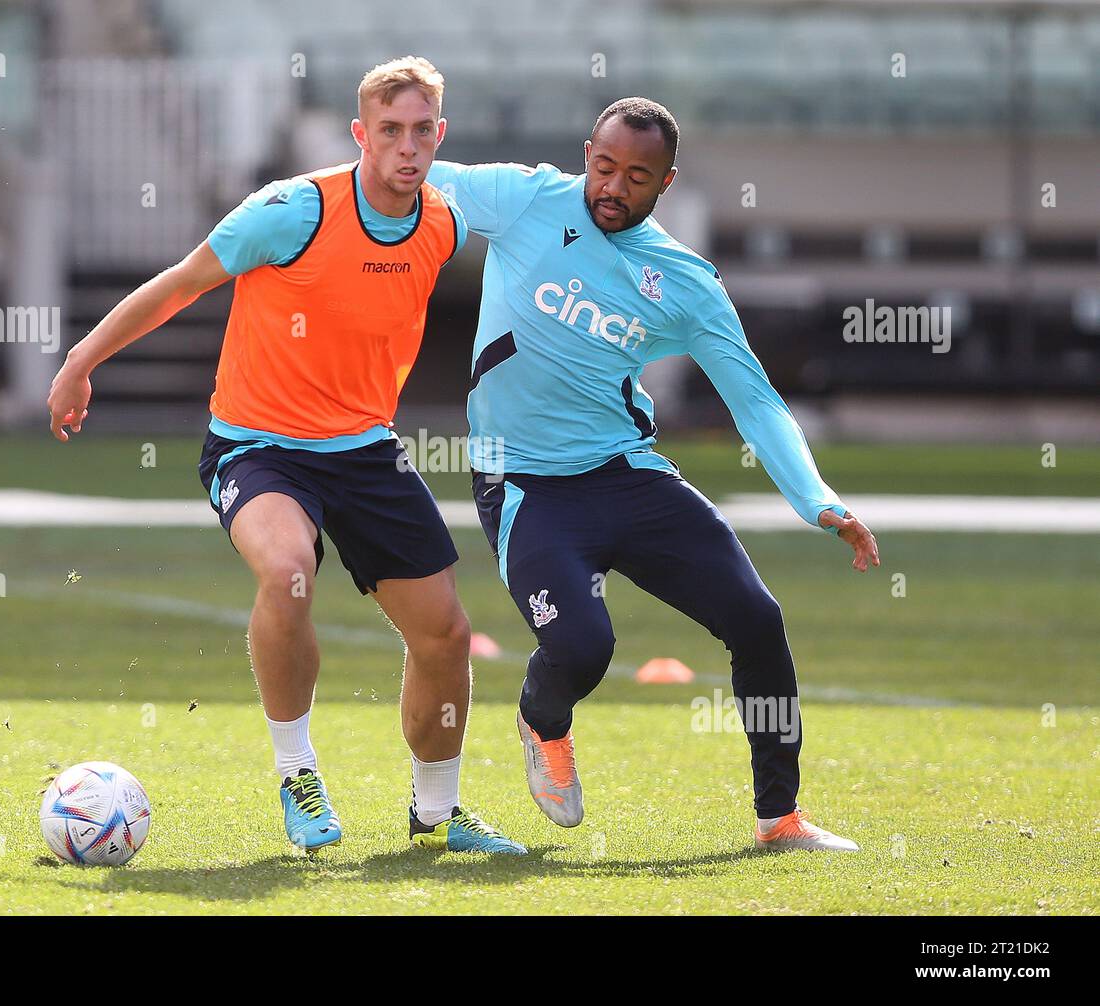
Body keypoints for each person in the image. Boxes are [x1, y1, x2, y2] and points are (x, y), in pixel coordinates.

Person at [47, 57, 524, 855]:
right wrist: (78, 363)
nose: (406, 148)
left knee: (444, 634)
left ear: (440, 135)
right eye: (389, 132)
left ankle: (439, 816)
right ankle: (296, 772)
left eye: (421, 132)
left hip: (366, 450)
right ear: (359, 135)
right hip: (258, 445)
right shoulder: (291, 211)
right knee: (287, 570)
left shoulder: (440, 223)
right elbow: (180, 284)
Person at [427, 97, 879, 852]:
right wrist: (298, 207)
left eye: (636, 176)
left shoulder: (684, 280)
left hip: (627, 475)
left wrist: (818, 500)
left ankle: (781, 818)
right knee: (582, 647)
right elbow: (396, 175)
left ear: (665, 183)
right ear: (586, 154)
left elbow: (757, 401)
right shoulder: (524, 197)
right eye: (603, 166)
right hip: (525, 484)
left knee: (757, 620)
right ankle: (543, 720)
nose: (613, 186)